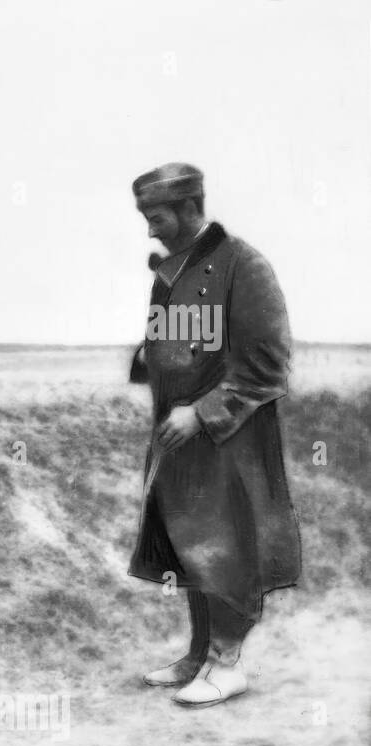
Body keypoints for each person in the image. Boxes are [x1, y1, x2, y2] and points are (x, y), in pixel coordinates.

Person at [128, 163, 301, 707]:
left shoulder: (244, 265)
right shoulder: (171, 271)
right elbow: (173, 344)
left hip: (233, 442)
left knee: (228, 547)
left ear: (187, 208)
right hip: (179, 439)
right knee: (191, 547)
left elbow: (268, 365)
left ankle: (228, 664)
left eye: (155, 217)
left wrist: (202, 412)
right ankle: (200, 651)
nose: (150, 230)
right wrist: (147, 359)